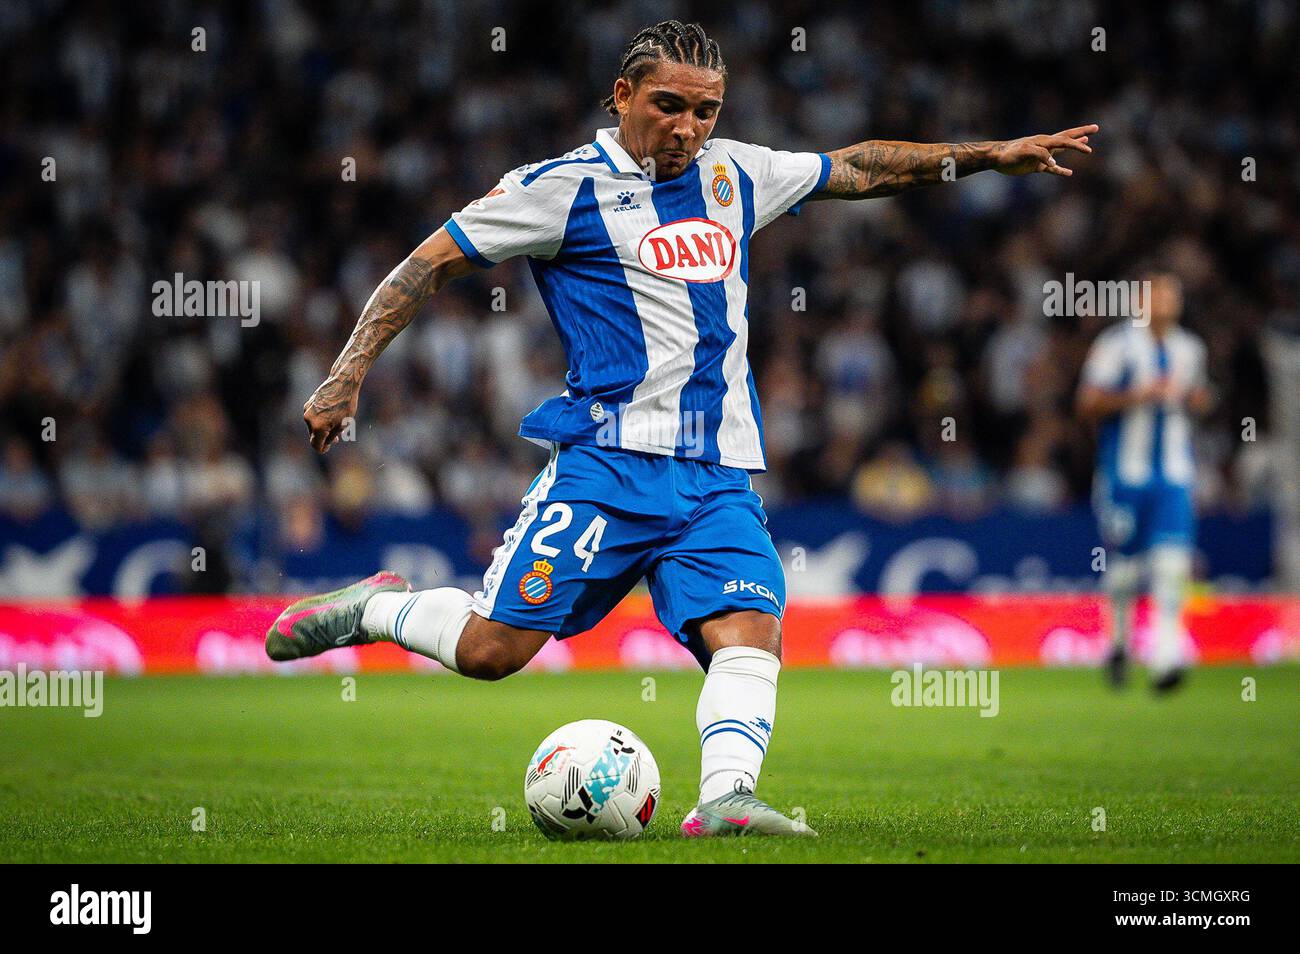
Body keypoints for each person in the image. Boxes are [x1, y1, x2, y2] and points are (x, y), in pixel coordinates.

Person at [267, 19, 1097, 835]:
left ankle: (726, 799)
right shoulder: (559, 187)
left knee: (751, 631)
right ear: (622, 95)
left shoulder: (737, 171)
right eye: (670, 105)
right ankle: (376, 608)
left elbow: (857, 167)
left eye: (707, 111)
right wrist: (346, 375)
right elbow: (429, 262)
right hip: (608, 466)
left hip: (716, 473)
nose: (689, 127)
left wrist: (986, 154)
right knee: (492, 652)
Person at [1077, 272, 1211, 692]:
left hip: (1173, 473)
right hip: (1125, 474)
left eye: (1173, 294)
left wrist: (1198, 402)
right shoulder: (1116, 345)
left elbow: (1198, 400)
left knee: (1171, 565)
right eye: (1158, 294)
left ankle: (1166, 659)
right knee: (1124, 571)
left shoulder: (1191, 349)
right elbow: (1088, 402)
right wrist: (1139, 395)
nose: (1167, 302)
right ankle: (1118, 645)